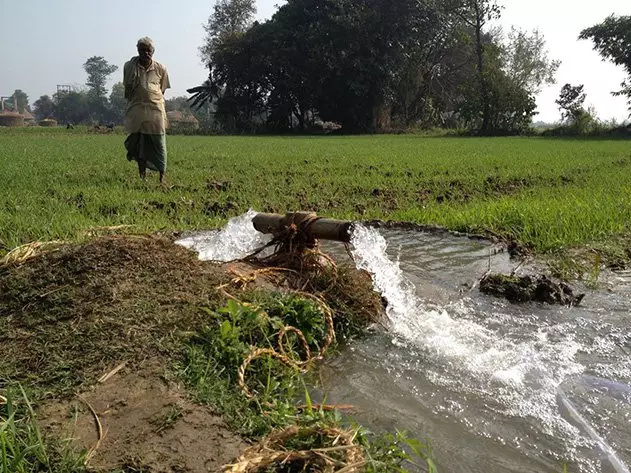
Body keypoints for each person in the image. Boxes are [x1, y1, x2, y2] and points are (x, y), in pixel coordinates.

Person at [123, 37, 171, 183]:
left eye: (148, 50)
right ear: (138, 51)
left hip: (155, 111)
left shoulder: (161, 68)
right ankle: (142, 177)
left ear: (153, 52)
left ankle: (161, 178)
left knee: (159, 143)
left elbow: (162, 90)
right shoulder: (129, 66)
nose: (145, 53)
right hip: (137, 111)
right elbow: (127, 87)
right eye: (142, 50)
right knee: (140, 145)